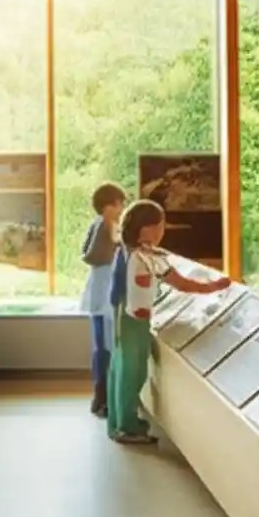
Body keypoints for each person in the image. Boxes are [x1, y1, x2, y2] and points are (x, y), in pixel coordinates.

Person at [107, 200, 231, 444]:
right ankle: (127, 427)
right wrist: (215, 286)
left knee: (122, 367)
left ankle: (120, 421)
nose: (163, 231)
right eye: (161, 225)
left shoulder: (128, 250)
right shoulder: (145, 255)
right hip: (135, 319)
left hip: (124, 315)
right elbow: (182, 284)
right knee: (133, 370)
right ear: (148, 228)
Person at [80, 182, 126, 418]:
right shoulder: (105, 226)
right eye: (119, 204)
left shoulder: (102, 225)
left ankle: (102, 395)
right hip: (104, 292)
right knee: (106, 346)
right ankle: (104, 396)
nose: (121, 208)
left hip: (100, 292)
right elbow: (93, 256)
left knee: (103, 346)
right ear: (109, 206)